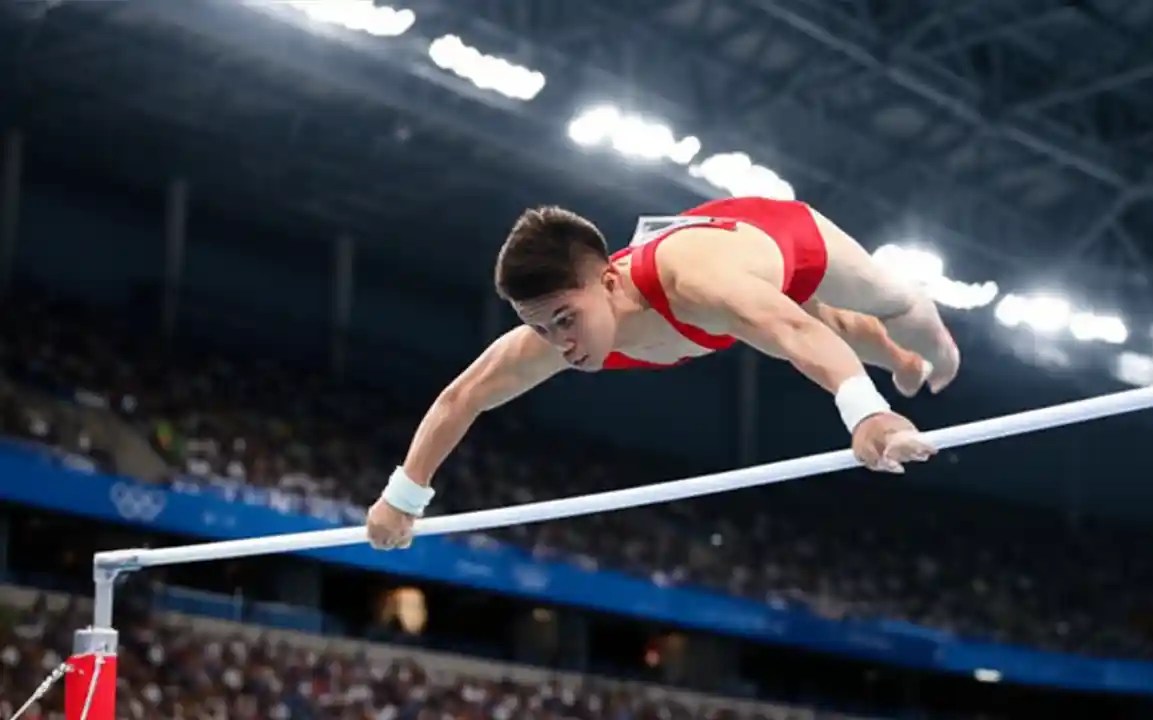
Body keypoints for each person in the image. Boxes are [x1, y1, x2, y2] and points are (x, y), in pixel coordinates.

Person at [365, 196, 961, 550]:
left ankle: (923, 348)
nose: (558, 343)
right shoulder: (553, 335)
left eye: (565, 320)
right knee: (827, 324)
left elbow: (796, 336)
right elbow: (461, 398)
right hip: (744, 304)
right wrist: (402, 498)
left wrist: (866, 412)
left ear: (607, 282)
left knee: (897, 312)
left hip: (783, 240)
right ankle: (903, 363)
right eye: (542, 327)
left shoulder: (691, 280)